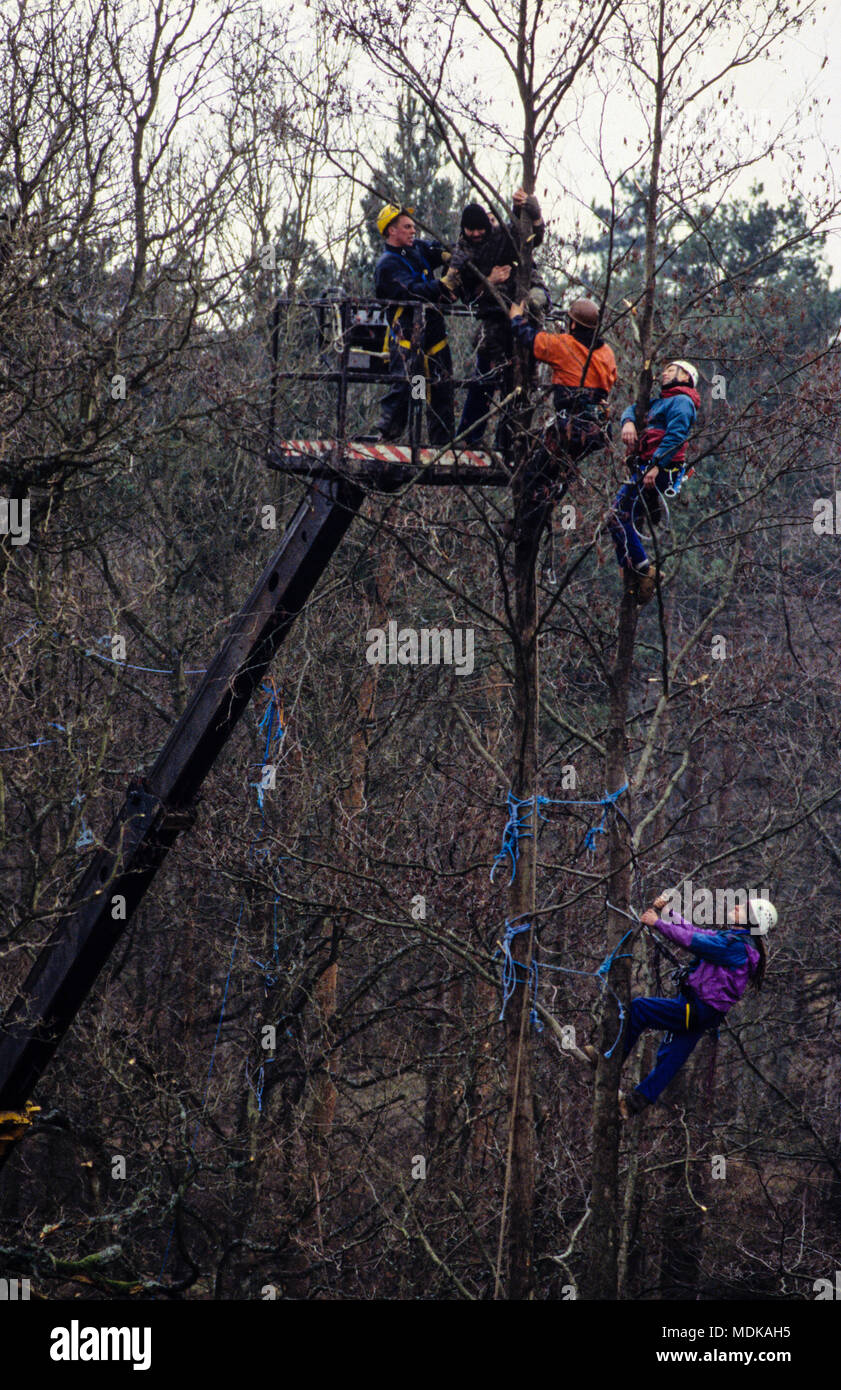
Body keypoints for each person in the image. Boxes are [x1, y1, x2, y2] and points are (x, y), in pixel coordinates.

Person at [587, 894, 776, 1119]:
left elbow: (694, 942)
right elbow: (696, 932)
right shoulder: (733, 939)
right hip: (702, 1012)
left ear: (751, 921)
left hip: (697, 1010)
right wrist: (668, 912)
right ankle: (634, 1103)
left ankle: (609, 1061)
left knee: (640, 1009)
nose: (736, 907)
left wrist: (658, 924)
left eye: (743, 908)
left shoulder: (738, 948)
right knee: (671, 1056)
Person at [451, 189, 545, 450]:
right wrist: (487, 281)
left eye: (481, 229)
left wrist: (528, 212)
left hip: (518, 310)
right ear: (464, 230)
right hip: (493, 318)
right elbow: (464, 297)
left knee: (518, 381)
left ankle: (507, 443)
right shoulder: (462, 253)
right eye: (471, 231)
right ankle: (469, 438)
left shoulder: (500, 236)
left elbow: (528, 237)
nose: (477, 235)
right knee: (486, 377)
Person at [610, 360, 700, 605]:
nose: (664, 373)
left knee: (618, 515)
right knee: (620, 516)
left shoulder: (682, 401)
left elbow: (676, 436)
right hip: (648, 467)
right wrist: (628, 422)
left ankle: (642, 567)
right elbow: (634, 409)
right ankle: (634, 566)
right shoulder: (661, 402)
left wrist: (655, 465)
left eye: (671, 370)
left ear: (684, 377)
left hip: (658, 468)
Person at [373, 204, 459, 445]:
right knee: (406, 390)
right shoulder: (388, 265)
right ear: (391, 231)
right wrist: (442, 285)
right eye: (407, 226)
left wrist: (446, 254)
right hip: (407, 341)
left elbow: (430, 251)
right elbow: (413, 291)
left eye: (413, 226)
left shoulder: (414, 249)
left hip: (433, 338)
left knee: (441, 390)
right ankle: (387, 436)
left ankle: (442, 444)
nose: (413, 230)